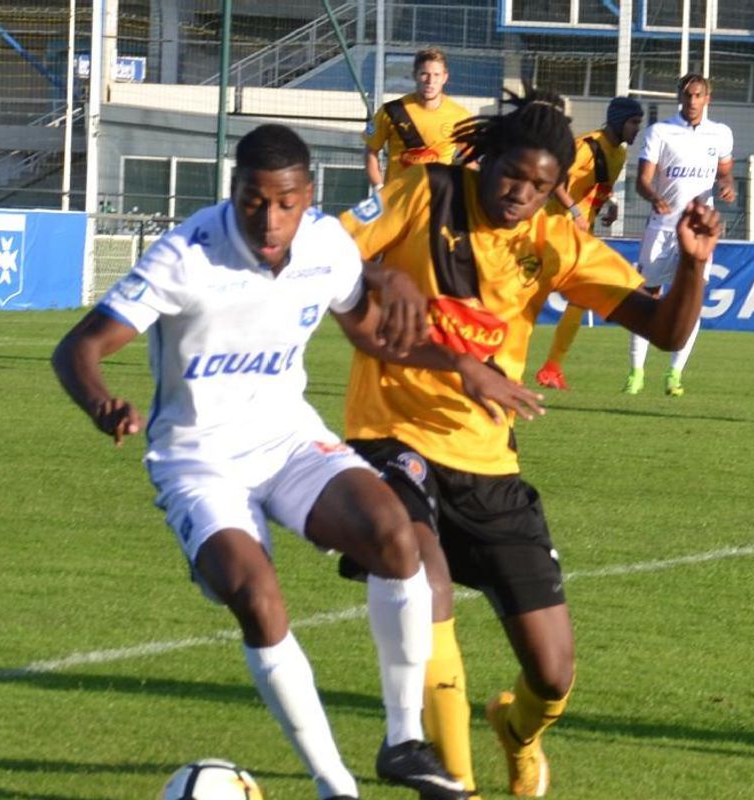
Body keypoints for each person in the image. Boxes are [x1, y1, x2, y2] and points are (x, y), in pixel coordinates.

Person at [51, 124, 472, 800]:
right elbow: (78, 348)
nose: (268, 220)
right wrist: (102, 404)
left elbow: (365, 327)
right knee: (257, 596)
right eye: (252, 201)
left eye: (284, 203)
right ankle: (336, 785)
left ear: (308, 195)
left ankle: (402, 743)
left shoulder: (327, 245)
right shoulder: (185, 255)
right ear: (234, 191)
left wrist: (458, 364)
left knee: (397, 537)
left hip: (287, 439)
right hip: (198, 459)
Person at [337, 89, 721, 797]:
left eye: (543, 185)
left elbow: (666, 330)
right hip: (393, 436)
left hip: (488, 462)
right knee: (427, 587)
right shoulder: (423, 190)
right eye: (514, 174)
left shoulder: (553, 238)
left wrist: (693, 264)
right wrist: (374, 271)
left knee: (553, 673)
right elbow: (319, 252)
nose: (523, 194)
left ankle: (517, 731)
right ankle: (455, 782)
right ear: (485, 158)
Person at [625, 73, 734, 397]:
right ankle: (636, 372)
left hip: (698, 232)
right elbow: (642, 180)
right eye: (687, 95)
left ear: (707, 98)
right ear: (680, 97)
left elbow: (726, 175)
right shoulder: (660, 132)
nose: (692, 101)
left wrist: (727, 186)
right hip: (662, 228)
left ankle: (674, 374)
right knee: (648, 297)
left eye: (698, 95)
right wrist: (652, 196)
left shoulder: (721, 134)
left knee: (691, 299)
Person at [534, 96, 644, 390]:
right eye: (634, 122)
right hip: (555, 231)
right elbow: (554, 179)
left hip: (580, 237)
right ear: (619, 120)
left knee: (579, 300)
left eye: (639, 123)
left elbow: (597, 188)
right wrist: (573, 210)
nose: (637, 129)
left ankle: (551, 368)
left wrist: (610, 204)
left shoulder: (618, 155)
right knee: (527, 296)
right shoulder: (586, 146)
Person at [363, 47, 471, 193]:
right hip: (398, 198)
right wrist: (379, 188)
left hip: (436, 200)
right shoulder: (392, 111)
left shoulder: (459, 115)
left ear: (445, 77)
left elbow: (472, 160)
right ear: (415, 75)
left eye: (436, 75)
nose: (430, 81)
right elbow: (370, 151)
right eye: (424, 74)